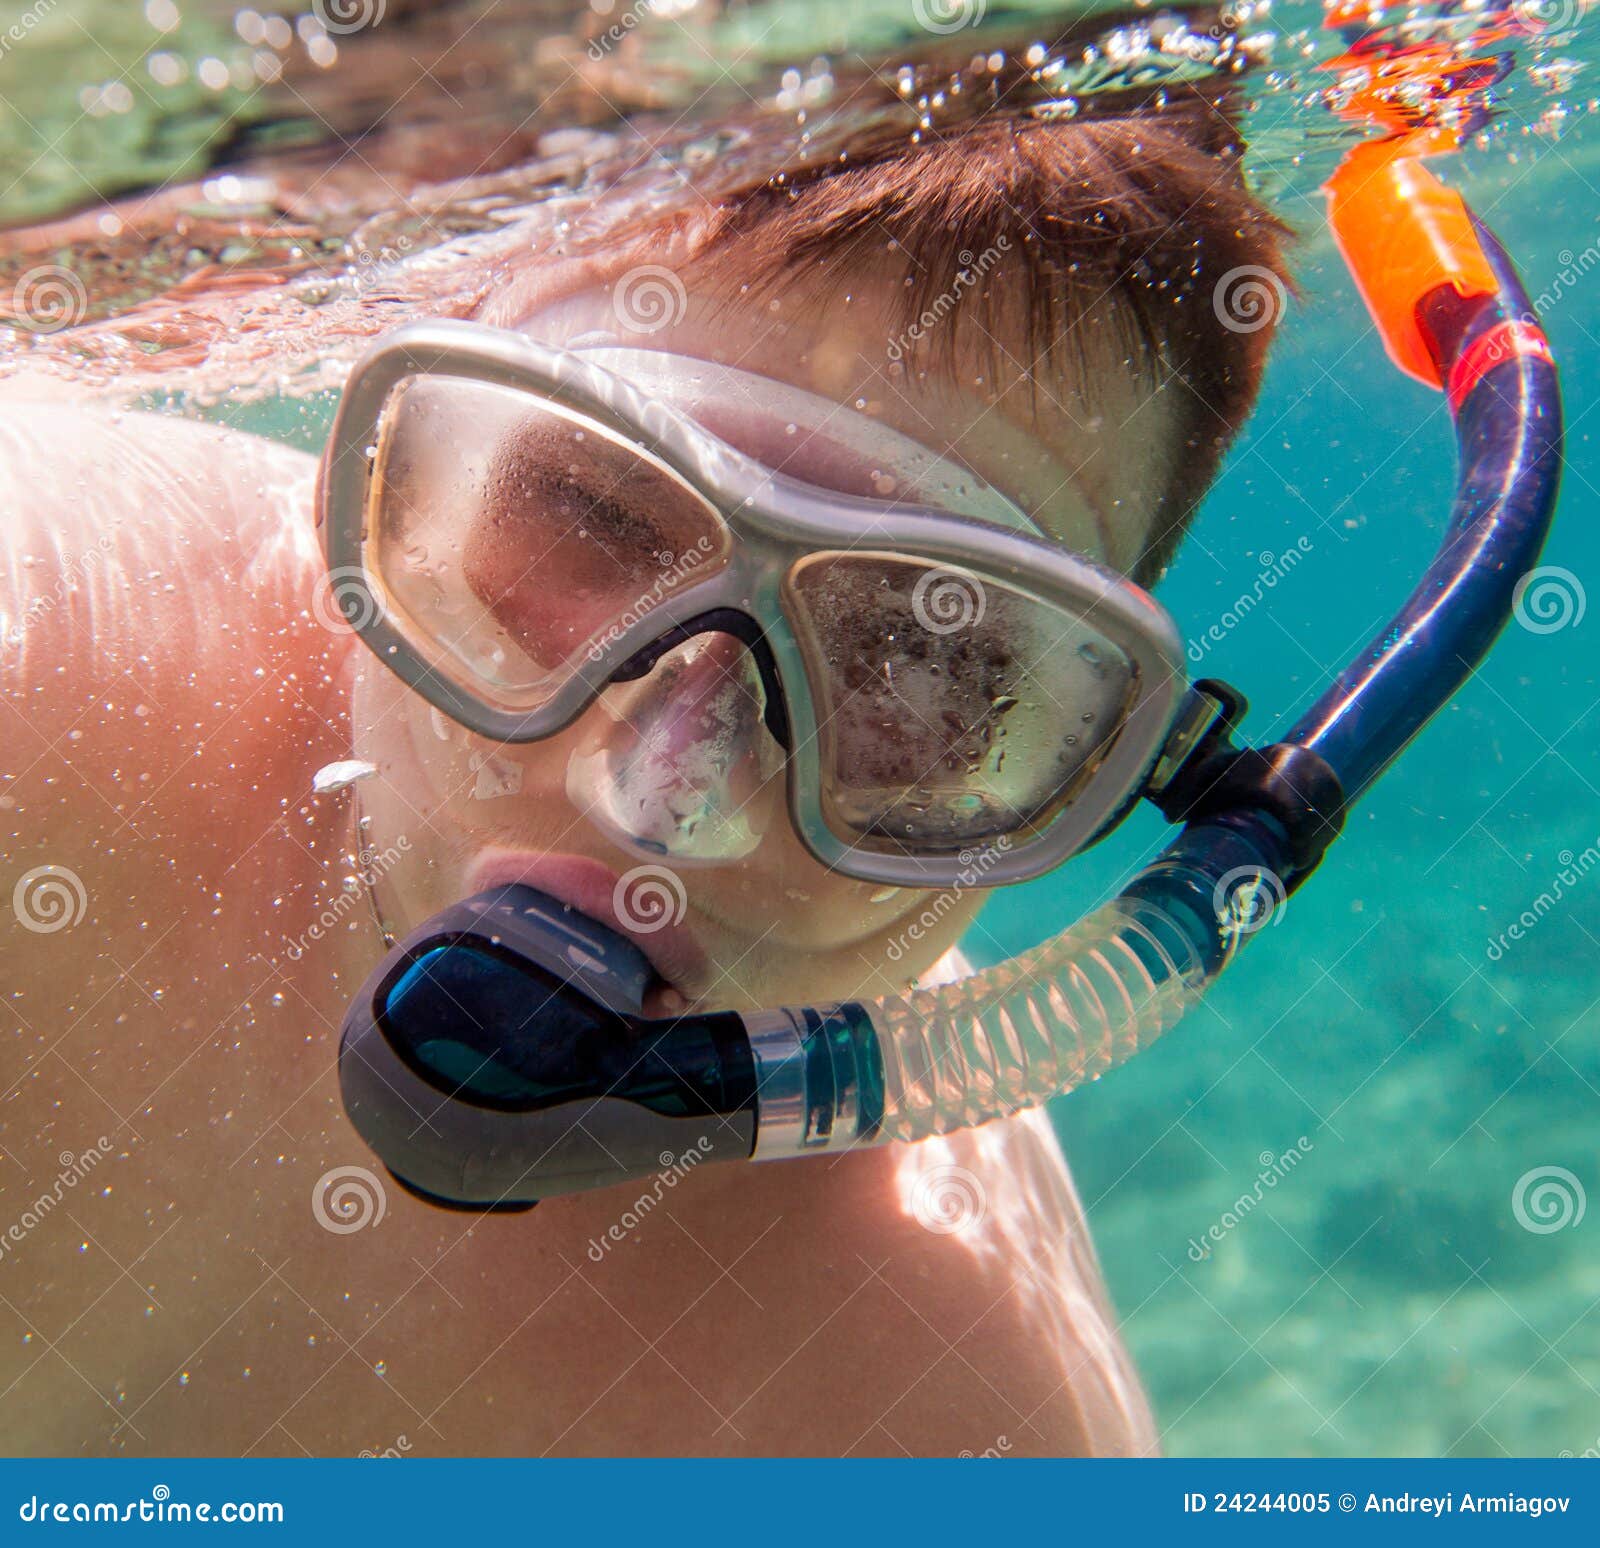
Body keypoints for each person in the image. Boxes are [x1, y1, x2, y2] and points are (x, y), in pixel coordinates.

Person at [0, 83, 1286, 1456]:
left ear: (1084, 767)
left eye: (918, 659)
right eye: (593, 517)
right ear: (382, 487)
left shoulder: (947, 1417)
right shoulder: (46, 654)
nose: (671, 796)